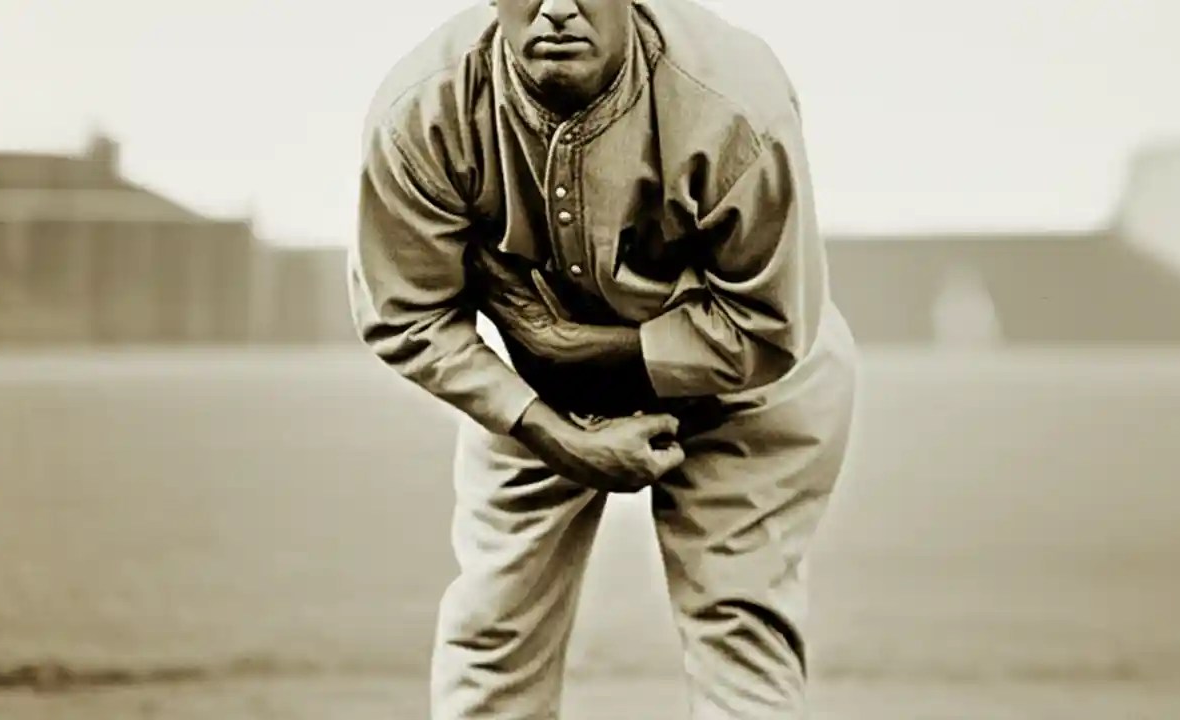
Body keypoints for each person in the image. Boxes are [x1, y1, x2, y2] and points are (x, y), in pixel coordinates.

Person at [347, 1, 858, 717]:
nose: (557, 7)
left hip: (751, 384)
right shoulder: (424, 110)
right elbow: (406, 313)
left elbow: (768, 329)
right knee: (494, 625)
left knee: (737, 622)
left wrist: (572, 350)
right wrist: (552, 429)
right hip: (539, 387)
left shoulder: (736, 103)